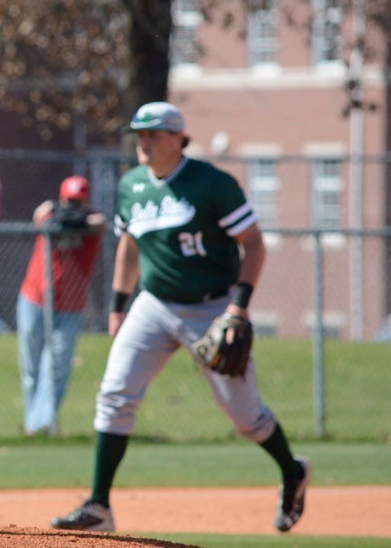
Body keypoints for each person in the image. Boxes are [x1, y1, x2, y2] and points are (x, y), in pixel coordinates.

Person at [51, 102, 310, 534]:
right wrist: (118, 306)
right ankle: (99, 506)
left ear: (178, 138)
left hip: (212, 308)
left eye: (153, 135)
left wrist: (238, 308)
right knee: (115, 395)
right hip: (154, 305)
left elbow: (253, 243)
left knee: (245, 417)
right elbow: (130, 246)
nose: (144, 143)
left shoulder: (212, 183)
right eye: (140, 135)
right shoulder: (132, 185)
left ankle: (292, 470)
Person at [16, 176, 105, 435]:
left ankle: (41, 424)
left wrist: (78, 219)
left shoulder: (92, 223)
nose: (74, 206)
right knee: (31, 367)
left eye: (79, 202)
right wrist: (57, 213)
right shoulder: (51, 216)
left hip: (70, 307)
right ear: (62, 199)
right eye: (70, 201)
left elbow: (100, 222)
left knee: (56, 367)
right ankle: (34, 425)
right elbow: (40, 214)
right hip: (34, 299)